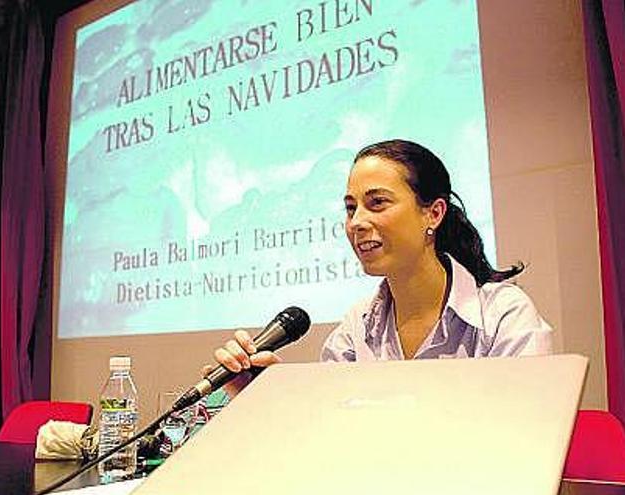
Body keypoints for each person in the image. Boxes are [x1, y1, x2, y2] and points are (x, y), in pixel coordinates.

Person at [202, 139, 553, 390]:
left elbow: (525, 436)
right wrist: (263, 393)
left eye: (377, 203)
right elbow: (326, 436)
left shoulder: (503, 315)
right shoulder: (358, 326)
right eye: (351, 207)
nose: (356, 222)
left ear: (434, 213)